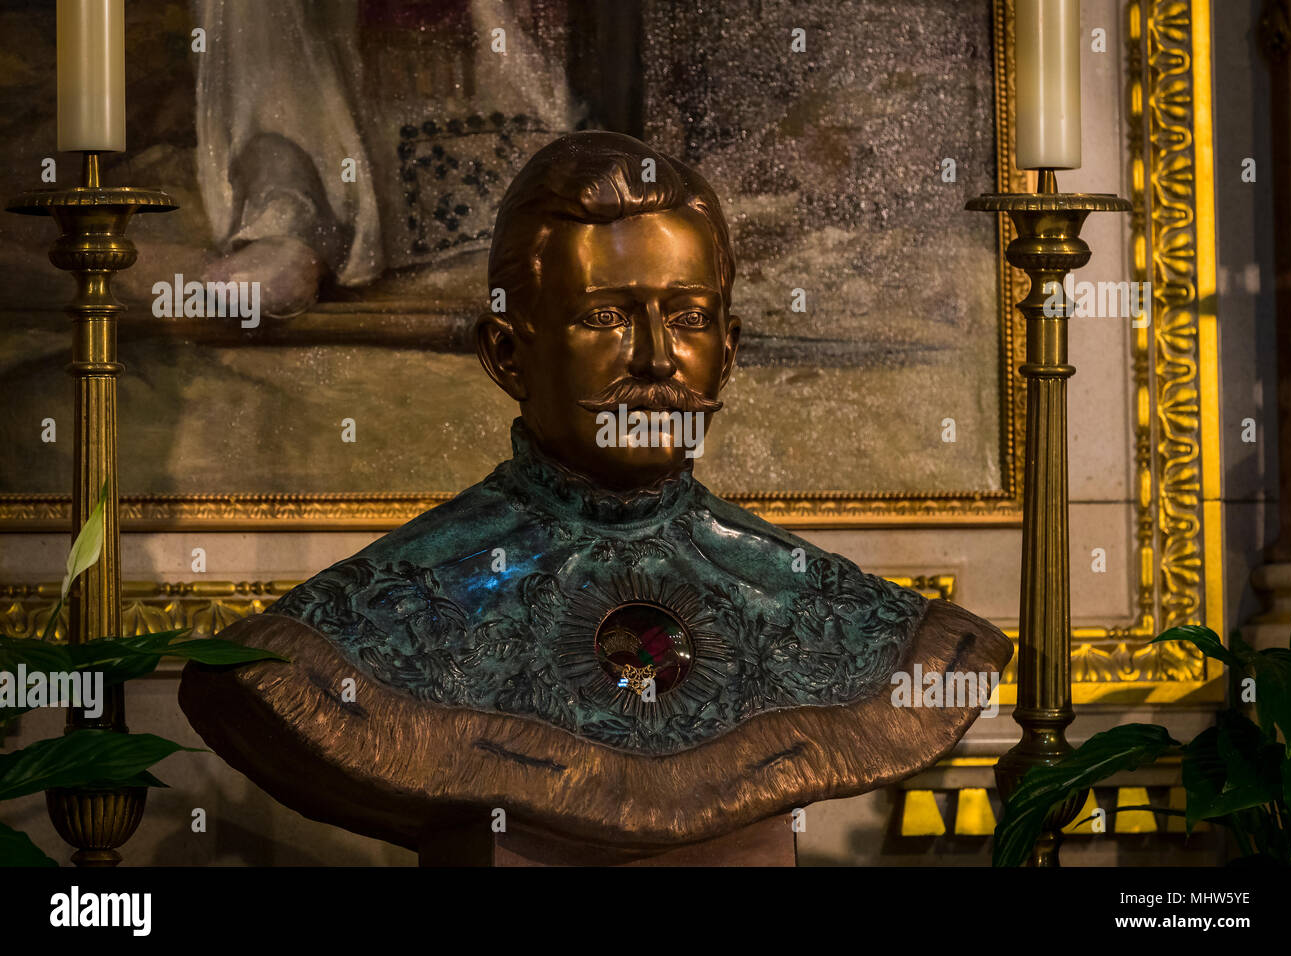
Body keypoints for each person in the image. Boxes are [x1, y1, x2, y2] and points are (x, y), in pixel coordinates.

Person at [180, 132, 1010, 864]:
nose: (655, 358)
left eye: (688, 317)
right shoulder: (338, 640)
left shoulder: (884, 636)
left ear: (729, 350)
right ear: (507, 354)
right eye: (607, 315)